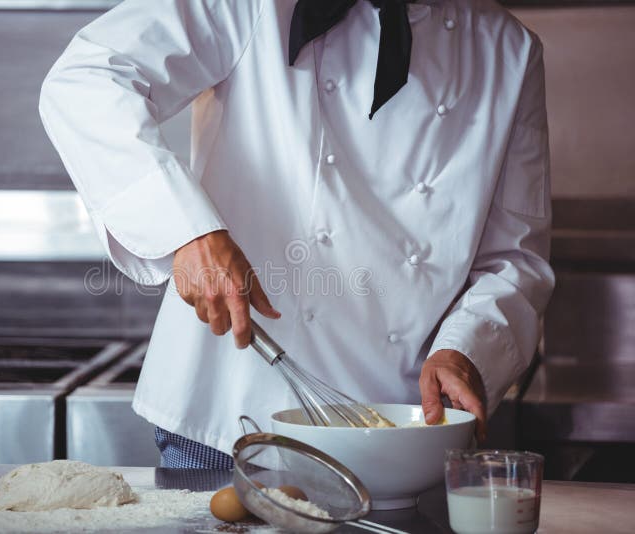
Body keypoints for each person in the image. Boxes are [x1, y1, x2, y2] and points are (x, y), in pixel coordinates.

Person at [40, 0, 554, 468]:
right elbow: (87, 77)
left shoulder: (509, 52)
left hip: (402, 428)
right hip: (232, 416)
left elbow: (515, 259)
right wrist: (187, 231)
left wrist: (464, 350)